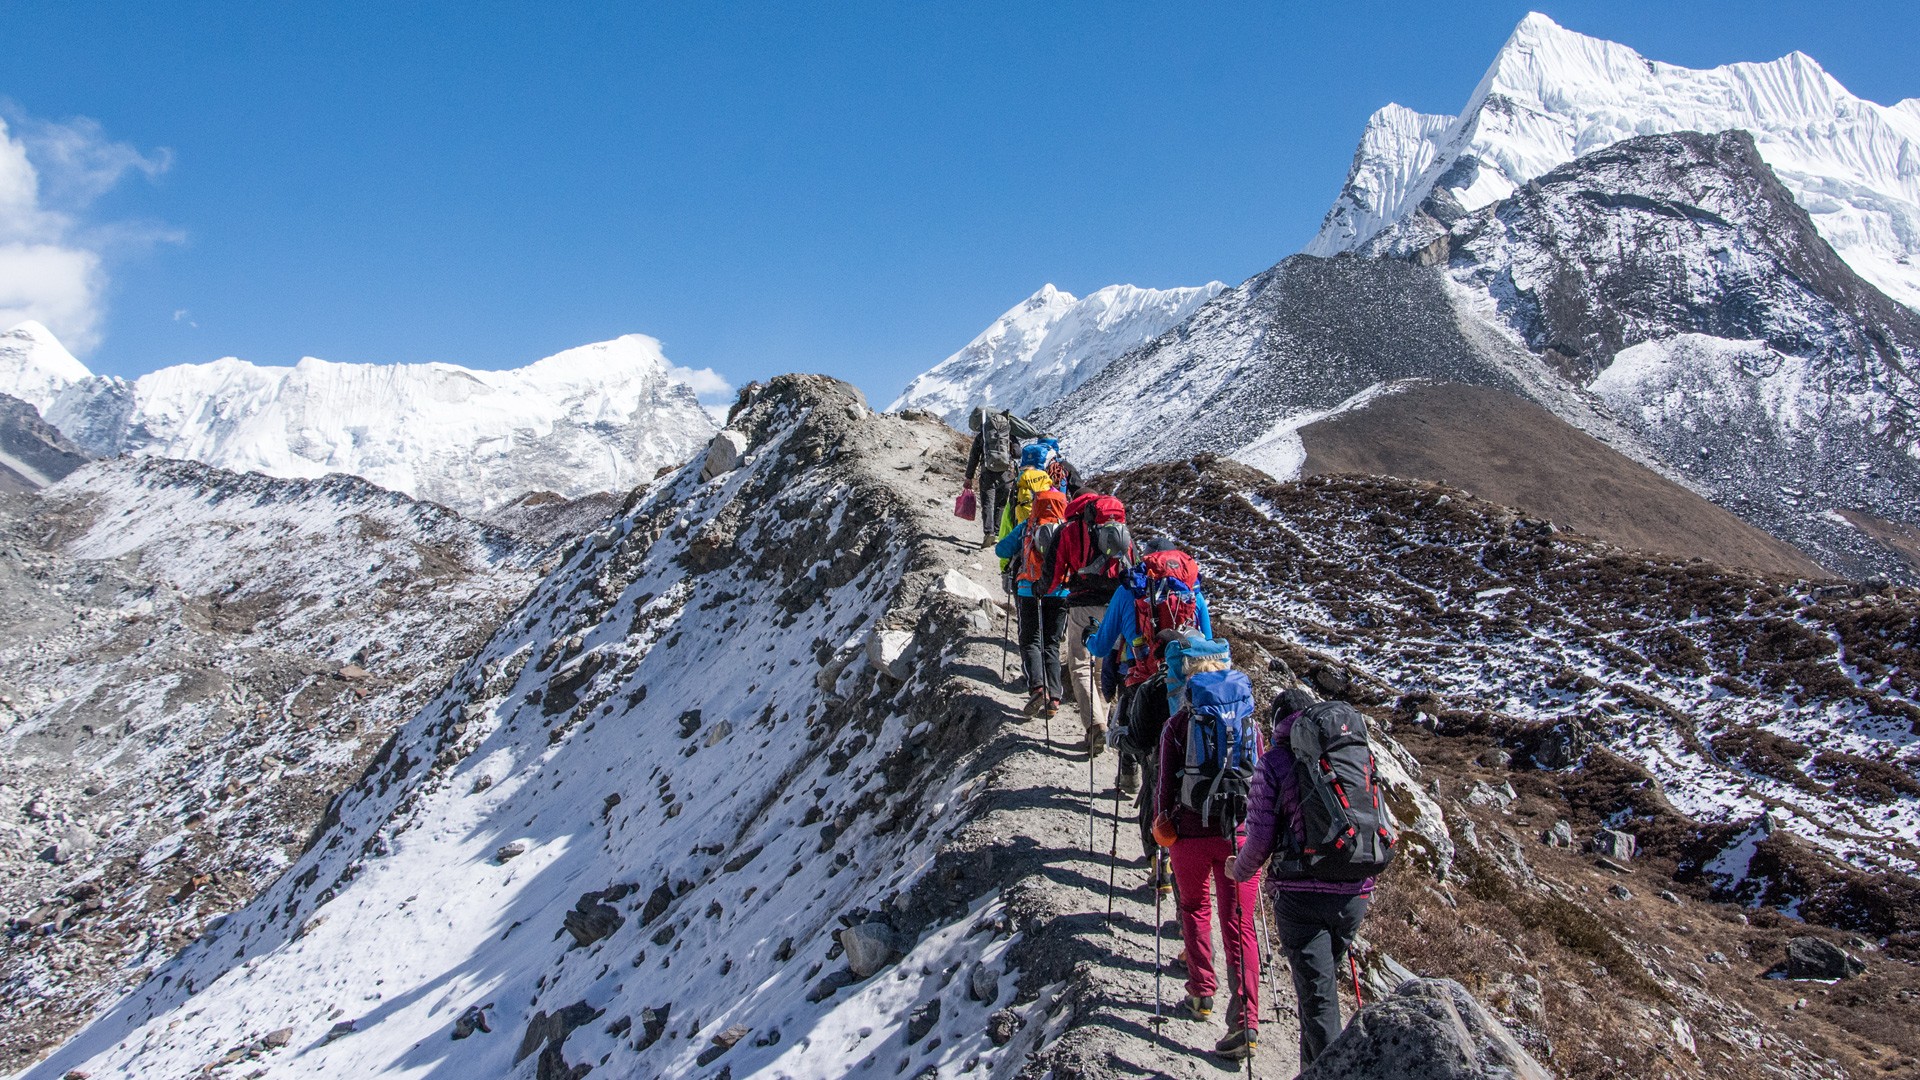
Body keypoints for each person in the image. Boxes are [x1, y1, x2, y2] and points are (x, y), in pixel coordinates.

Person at [1230, 687, 1377, 1072]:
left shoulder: (1275, 761)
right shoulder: (1343, 755)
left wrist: (1238, 871)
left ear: (1277, 723)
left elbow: (1259, 839)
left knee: (1319, 1002)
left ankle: (1331, 1070)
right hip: (1354, 891)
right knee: (1315, 995)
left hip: (1301, 897)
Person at [1153, 661, 1262, 1061]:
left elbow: (1164, 785)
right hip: (1239, 837)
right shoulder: (1249, 724)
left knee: (1195, 907)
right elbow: (1262, 781)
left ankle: (1201, 993)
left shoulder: (1178, 725)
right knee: (1240, 925)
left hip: (1190, 833)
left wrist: (1163, 827)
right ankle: (1247, 1021)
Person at [1089, 540, 1211, 791]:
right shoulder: (1192, 591)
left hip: (1140, 679)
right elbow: (1207, 644)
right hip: (1183, 682)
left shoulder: (1129, 589)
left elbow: (1101, 647)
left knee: (1138, 739)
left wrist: (1088, 637)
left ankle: (1131, 777)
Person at [1051, 493, 1135, 756]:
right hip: (1117, 605)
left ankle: (1094, 726)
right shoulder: (1120, 527)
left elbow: (1055, 570)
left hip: (1082, 605)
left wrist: (1046, 590)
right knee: (1102, 669)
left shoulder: (1069, 530)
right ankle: (1102, 726)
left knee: (1079, 666)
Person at [995, 488, 1070, 716]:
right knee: (1052, 644)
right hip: (1060, 592)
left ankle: (1038, 688)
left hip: (1028, 590)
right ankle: (1055, 698)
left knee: (1030, 641)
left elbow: (1001, 549)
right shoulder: (1067, 530)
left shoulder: (1027, 527)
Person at [964, 407, 1040, 546]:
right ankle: (998, 534)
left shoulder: (983, 435)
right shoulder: (1009, 432)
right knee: (1001, 505)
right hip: (1007, 474)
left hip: (987, 472)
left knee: (988, 503)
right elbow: (1018, 453)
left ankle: (989, 533)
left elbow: (973, 457)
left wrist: (969, 477)